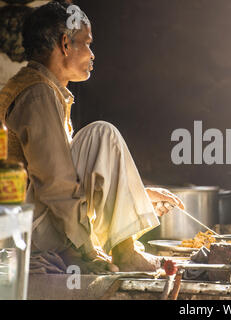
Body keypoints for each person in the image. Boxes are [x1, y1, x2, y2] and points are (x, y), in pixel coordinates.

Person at [0, 2, 185, 274]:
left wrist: (136, 196)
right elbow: (57, 185)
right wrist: (87, 248)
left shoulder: (42, 89)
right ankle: (125, 252)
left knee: (97, 138)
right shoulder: (37, 94)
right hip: (17, 231)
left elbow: (66, 177)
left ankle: (119, 248)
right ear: (65, 44)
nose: (92, 54)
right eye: (86, 43)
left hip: (28, 222)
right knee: (102, 134)